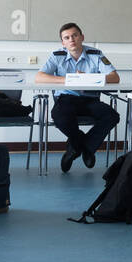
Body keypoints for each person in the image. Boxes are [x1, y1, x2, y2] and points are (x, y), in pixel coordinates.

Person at [35, 22, 120, 172]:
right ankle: (83, 145)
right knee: (58, 115)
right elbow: (39, 77)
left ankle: (79, 147)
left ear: (82, 37)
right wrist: (69, 79)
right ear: (63, 42)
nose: (71, 40)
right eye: (67, 37)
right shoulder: (57, 56)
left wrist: (88, 78)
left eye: (74, 35)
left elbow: (114, 77)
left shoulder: (96, 54)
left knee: (112, 116)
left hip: (90, 99)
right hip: (66, 99)